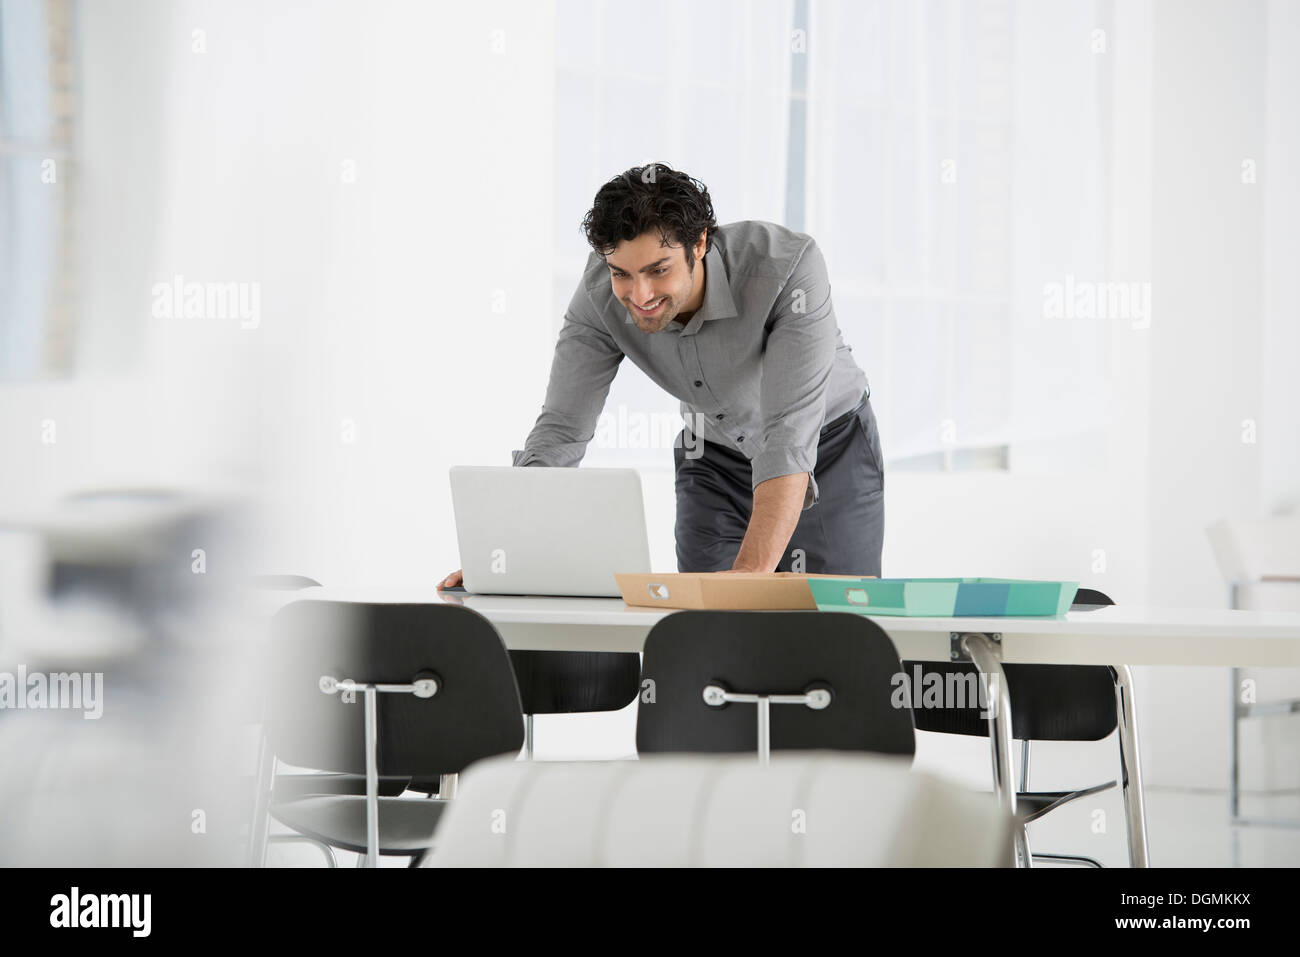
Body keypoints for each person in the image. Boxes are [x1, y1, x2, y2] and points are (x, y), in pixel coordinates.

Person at [439, 162, 884, 590]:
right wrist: (502, 555)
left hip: (831, 446)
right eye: (622, 274)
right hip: (714, 459)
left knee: (838, 630)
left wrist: (748, 577)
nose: (640, 294)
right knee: (705, 636)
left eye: (659, 270)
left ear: (699, 244)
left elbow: (789, 436)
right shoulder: (599, 296)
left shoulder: (787, 267)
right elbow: (560, 431)